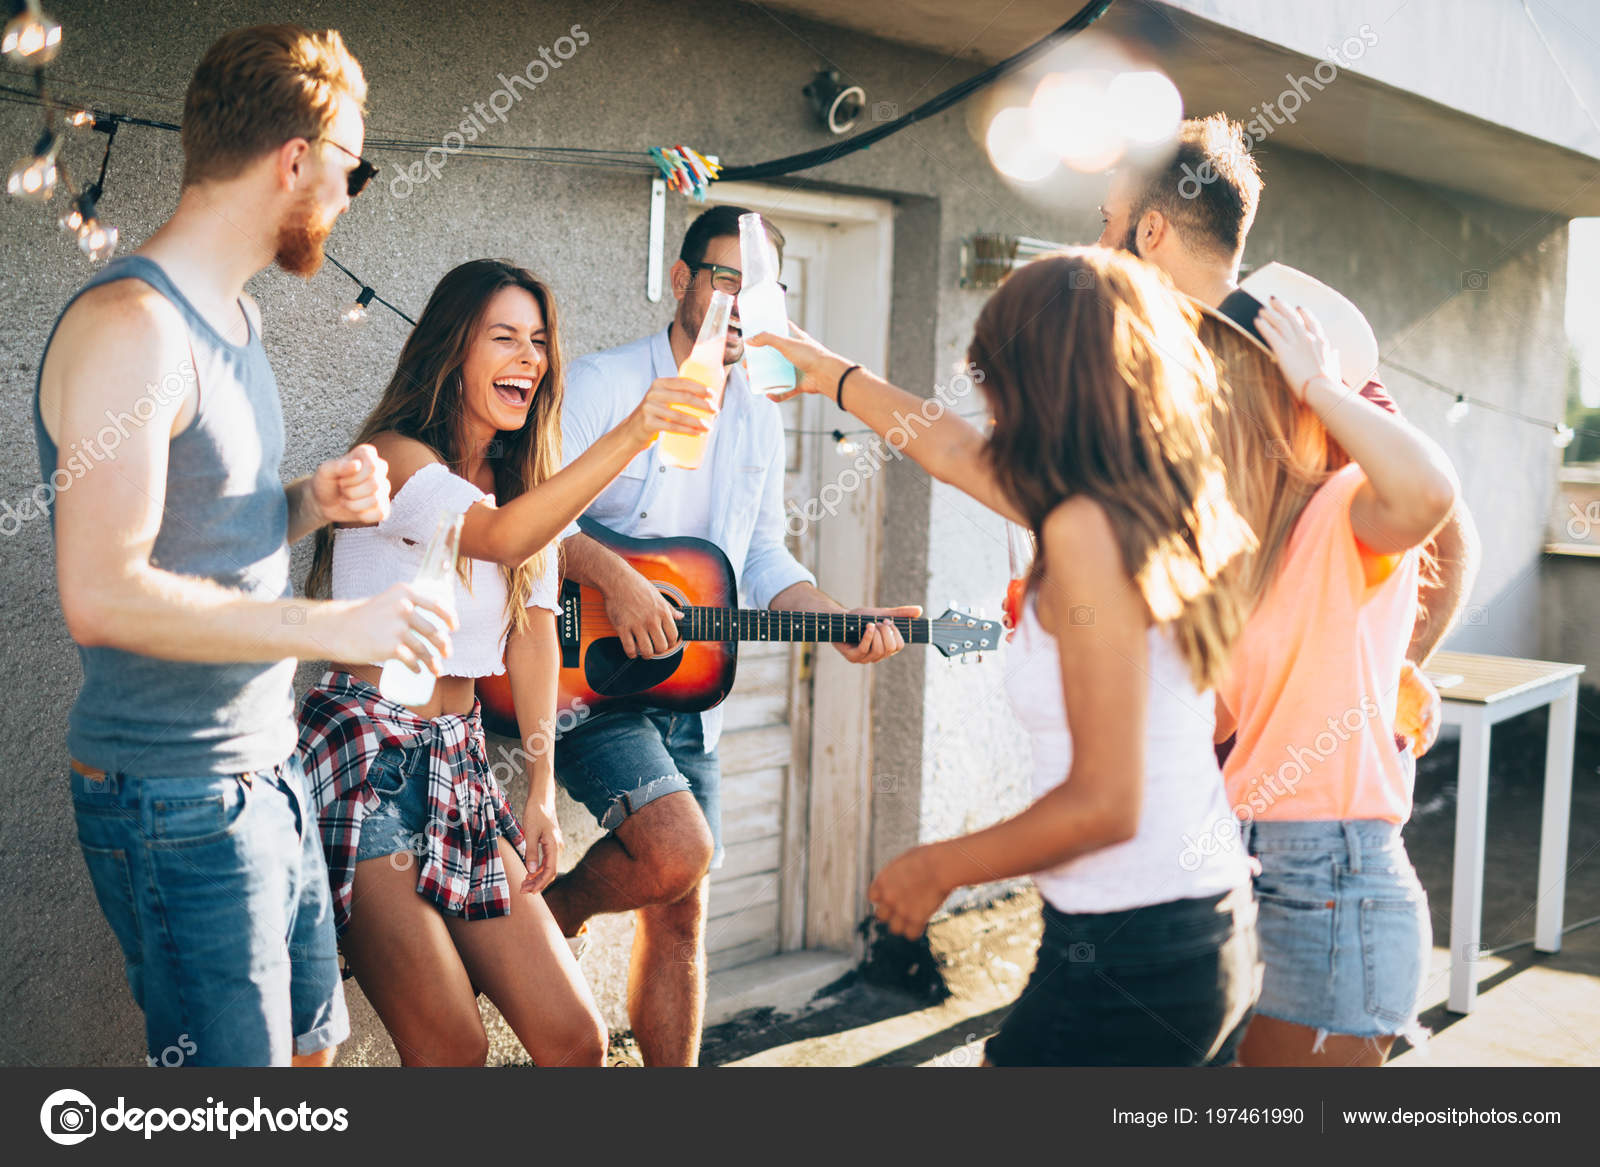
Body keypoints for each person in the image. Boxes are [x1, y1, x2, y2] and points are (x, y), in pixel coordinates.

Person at [31, 25, 450, 1066]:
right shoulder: (135, 327)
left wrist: (312, 498)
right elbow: (103, 594)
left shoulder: (238, 321)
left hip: (270, 767)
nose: (350, 195)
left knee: (311, 1056)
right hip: (175, 795)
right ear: (295, 160)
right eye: (352, 167)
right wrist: (334, 622)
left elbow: (205, 524)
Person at [751, 247, 1263, 1066]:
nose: (986, 404)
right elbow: (948, 450)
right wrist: (826, 372)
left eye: (992, 379)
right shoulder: (1138, 497)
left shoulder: (1086, 530)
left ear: (1042, 384)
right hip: (1183, 925)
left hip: (1138, 949)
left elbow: (1106, 802)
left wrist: (937, 866)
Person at [296, 260, 712, 1066]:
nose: (529, 357)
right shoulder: (395, 459)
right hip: (366, 761)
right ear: (453, 350)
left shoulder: (524, 483)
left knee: (574, 1038)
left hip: (458, 760)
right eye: (505, 338)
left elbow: (531, 630)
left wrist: (543, 793)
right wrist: (634, 431)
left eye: (540, 342)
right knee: (452, 1049)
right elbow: (498, 537)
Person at [542, 205, 920, 1066]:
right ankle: (550, 916)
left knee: (682, 906)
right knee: (680, 849)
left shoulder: (758, 411)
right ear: (679, 281)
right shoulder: (603, 384)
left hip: (692, 692)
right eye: (724, 278)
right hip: (580, 685)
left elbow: (760, 554)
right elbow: (519, 518)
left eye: (760, 287)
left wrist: (842, 621)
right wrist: (613, 576)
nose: (741, 303)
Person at [1097, 112, 1478, 752]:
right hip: (1186, 758)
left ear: (1151, 230)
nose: (1101, 245)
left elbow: (1448, 528)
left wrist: (1386, 671)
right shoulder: (1149, 372)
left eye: (1108, 222)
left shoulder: (1303, 356)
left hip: (1290, 793)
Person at [1195, 298, 1457, 1065]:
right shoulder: (1246, 543)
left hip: (1332, 882)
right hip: (1244, 861)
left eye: (1226, 371)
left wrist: (1321, 385)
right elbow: (1214, 720)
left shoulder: (1347, 512)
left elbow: (1432, 493)